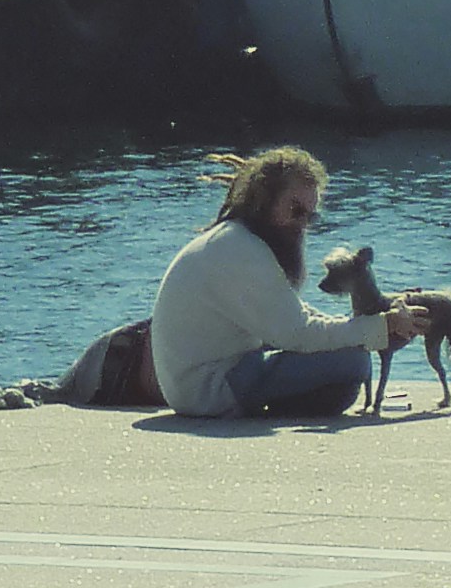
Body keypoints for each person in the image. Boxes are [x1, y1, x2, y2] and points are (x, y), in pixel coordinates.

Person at [150, 148, 429, 423]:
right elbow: (298, 333)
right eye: (296, 210)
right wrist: (382, 326)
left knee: (348, 359)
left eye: (310, 216)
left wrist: (374, 326)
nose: (302, 224)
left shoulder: (235, 239)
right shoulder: (240, 251)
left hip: (201, 382)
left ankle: (268, 406)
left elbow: (291, 314)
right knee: (353, 362)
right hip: (208, 390)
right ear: (264, 201)